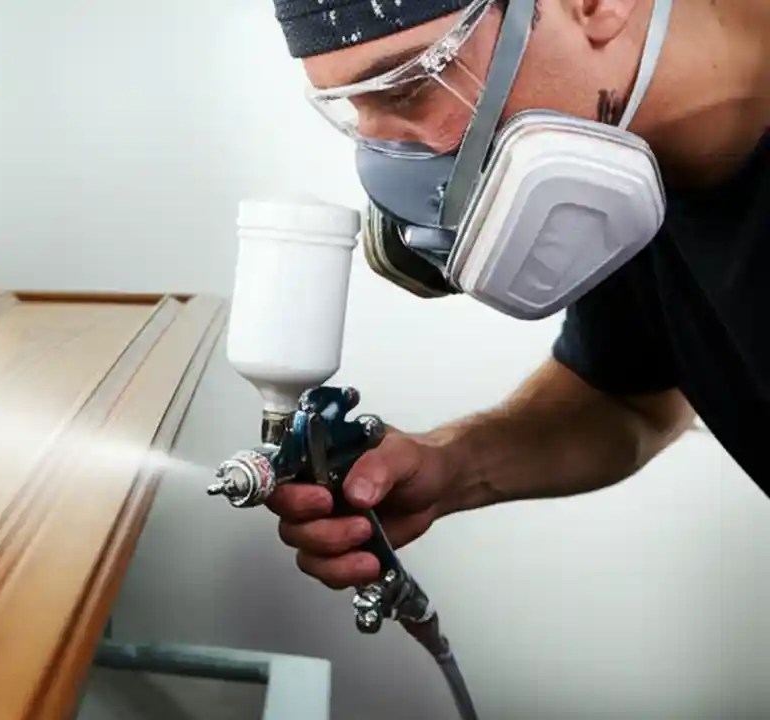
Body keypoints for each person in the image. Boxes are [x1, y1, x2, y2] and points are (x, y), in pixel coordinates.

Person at [264, 0, 769, 592]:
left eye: (408, 88)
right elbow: (631, 401)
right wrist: (449, 465)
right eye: (356, 111)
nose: (390, 168)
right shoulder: (626, 154)